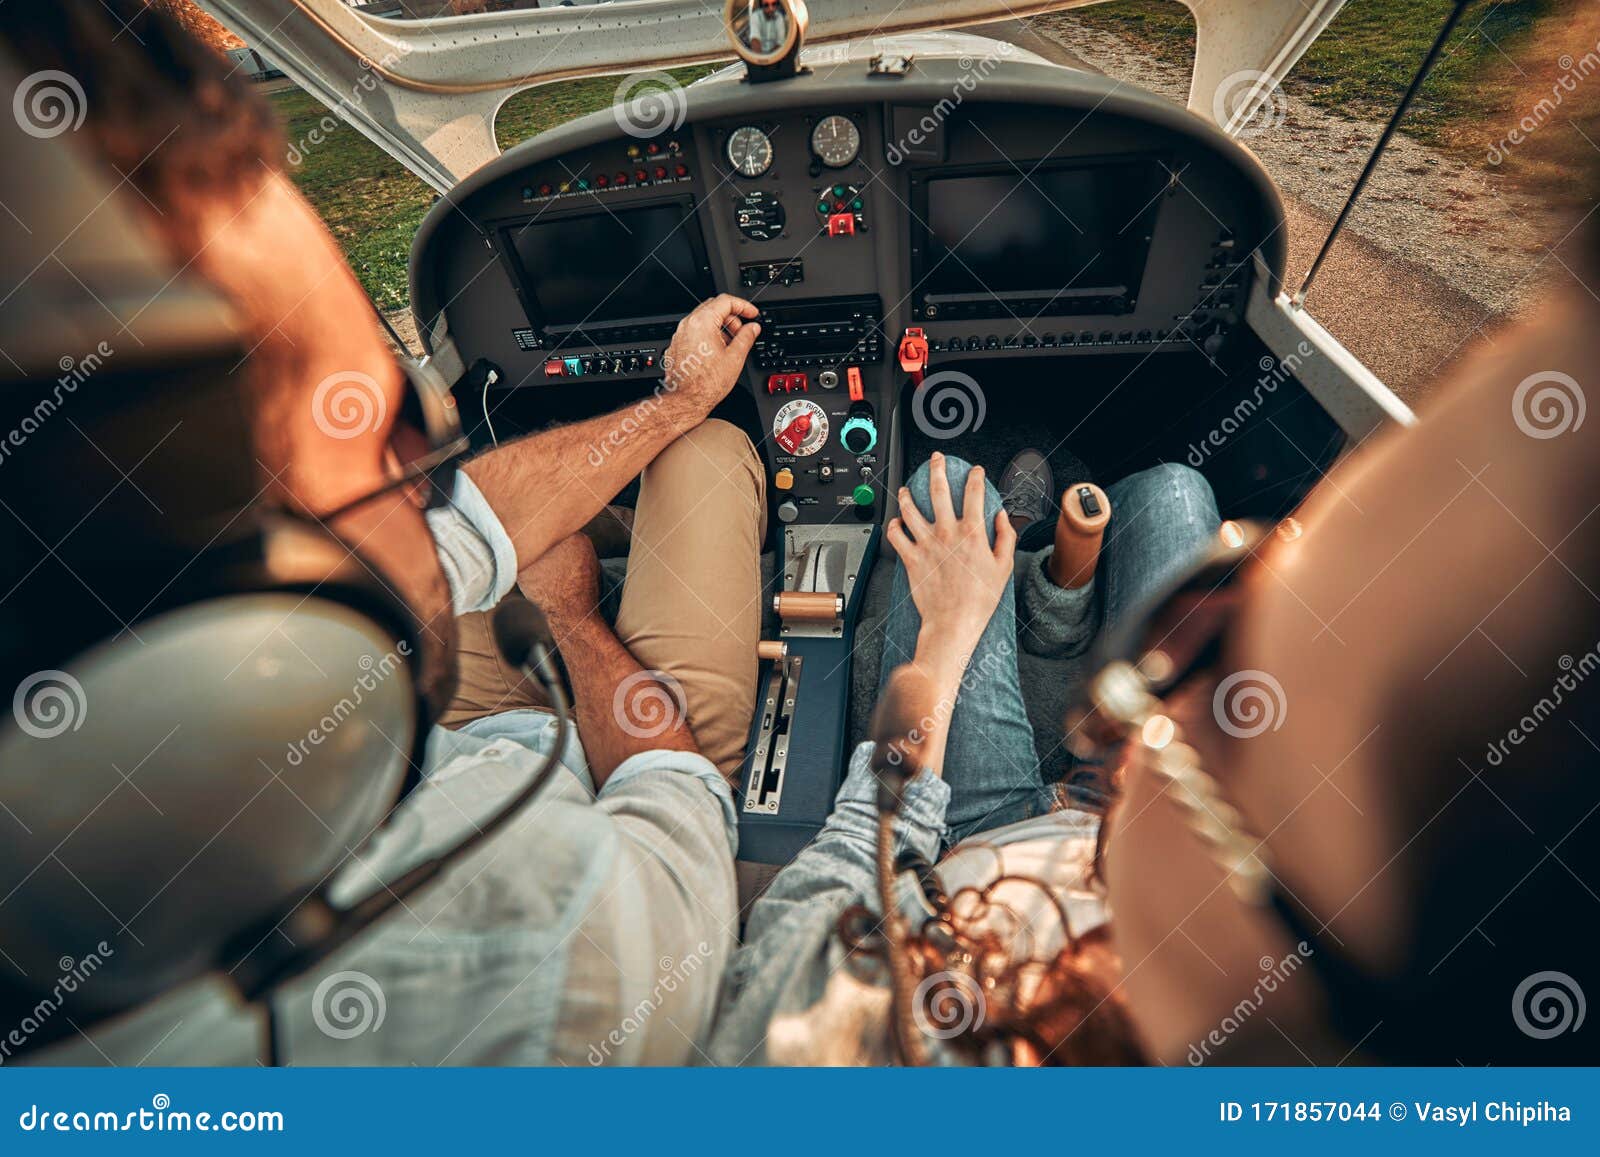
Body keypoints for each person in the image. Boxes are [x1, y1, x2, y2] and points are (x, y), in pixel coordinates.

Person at [1, 2, 767, 1065]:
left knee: (681, 439)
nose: (435, 468)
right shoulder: (536, 959)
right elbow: (671, 818)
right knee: (718, 461)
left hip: (468, 728)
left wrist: (670, 401)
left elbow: (439, 535)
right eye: (391, 439)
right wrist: (577, 620)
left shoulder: (150, 652)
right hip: (626, 783)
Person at [709, 451, 1219, 1064]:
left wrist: (951, 627)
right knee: (1174, 490)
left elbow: (839, 880)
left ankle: (1039, 588)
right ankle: (1052, 597)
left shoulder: (815, 1044)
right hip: (1137, 835)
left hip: (977, 845)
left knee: (946, 488)